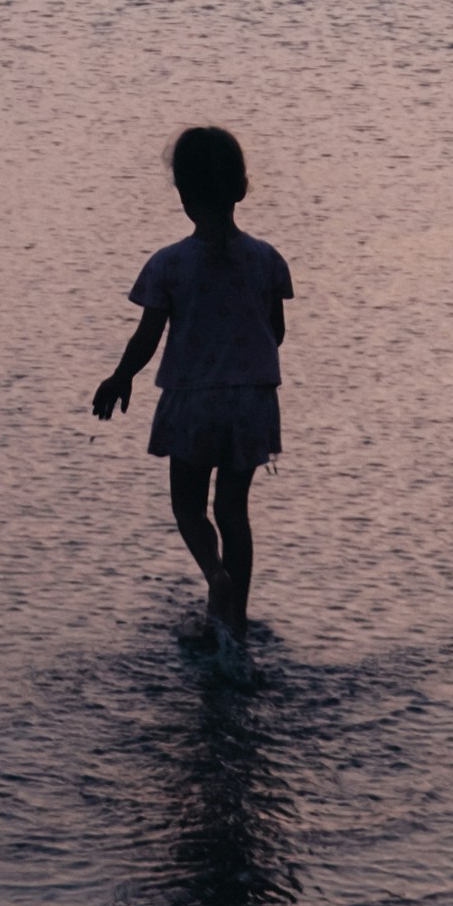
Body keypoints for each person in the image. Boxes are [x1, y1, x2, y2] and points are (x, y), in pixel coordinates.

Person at [93, 125, 291, 659]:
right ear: (241, 189)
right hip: (252, 399)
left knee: (187, 504)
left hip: (193, 399)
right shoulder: (268, 259)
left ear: (183, 195)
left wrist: (119, 378)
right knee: (234, 510)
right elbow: (275, 332)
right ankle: (237, 621)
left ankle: (215, 582)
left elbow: (147, 338)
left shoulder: (169, 264)